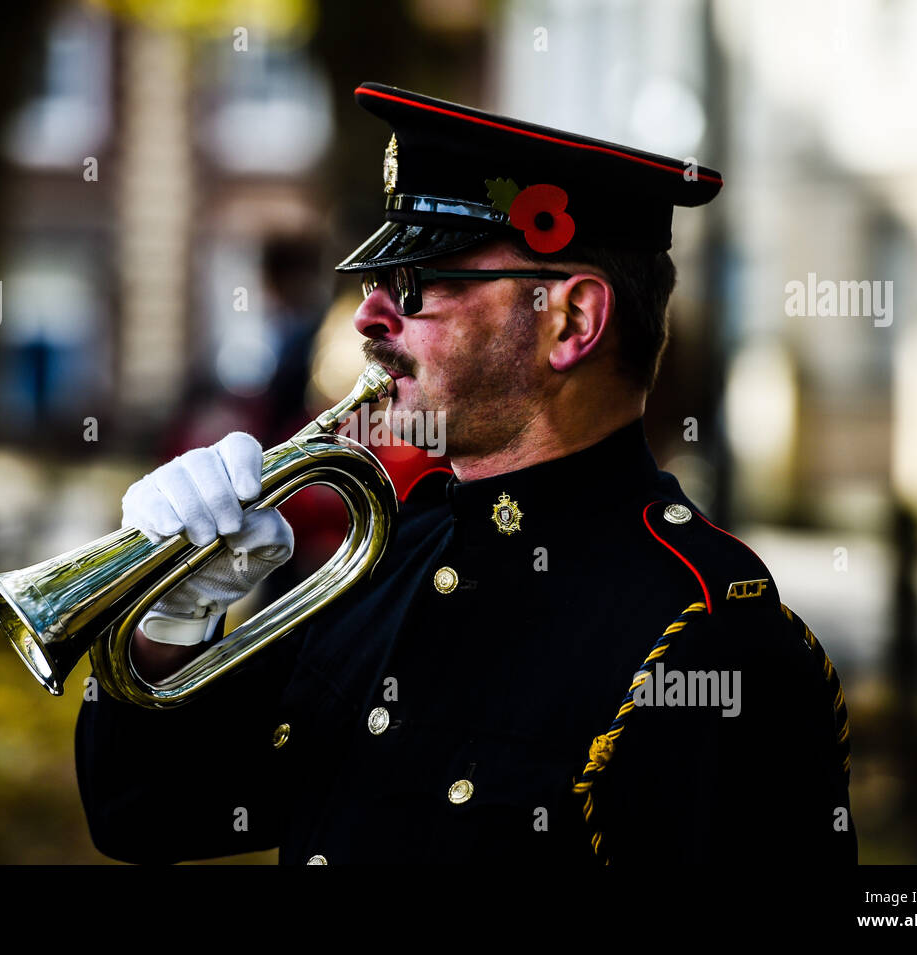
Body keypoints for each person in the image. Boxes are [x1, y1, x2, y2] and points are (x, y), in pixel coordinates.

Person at [75, 82, 857, 865]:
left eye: (418, 282)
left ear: (572, 321)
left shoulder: (708, 637)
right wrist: (172, 622)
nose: (369, 315)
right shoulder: (387, 555)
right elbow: (144, 813)